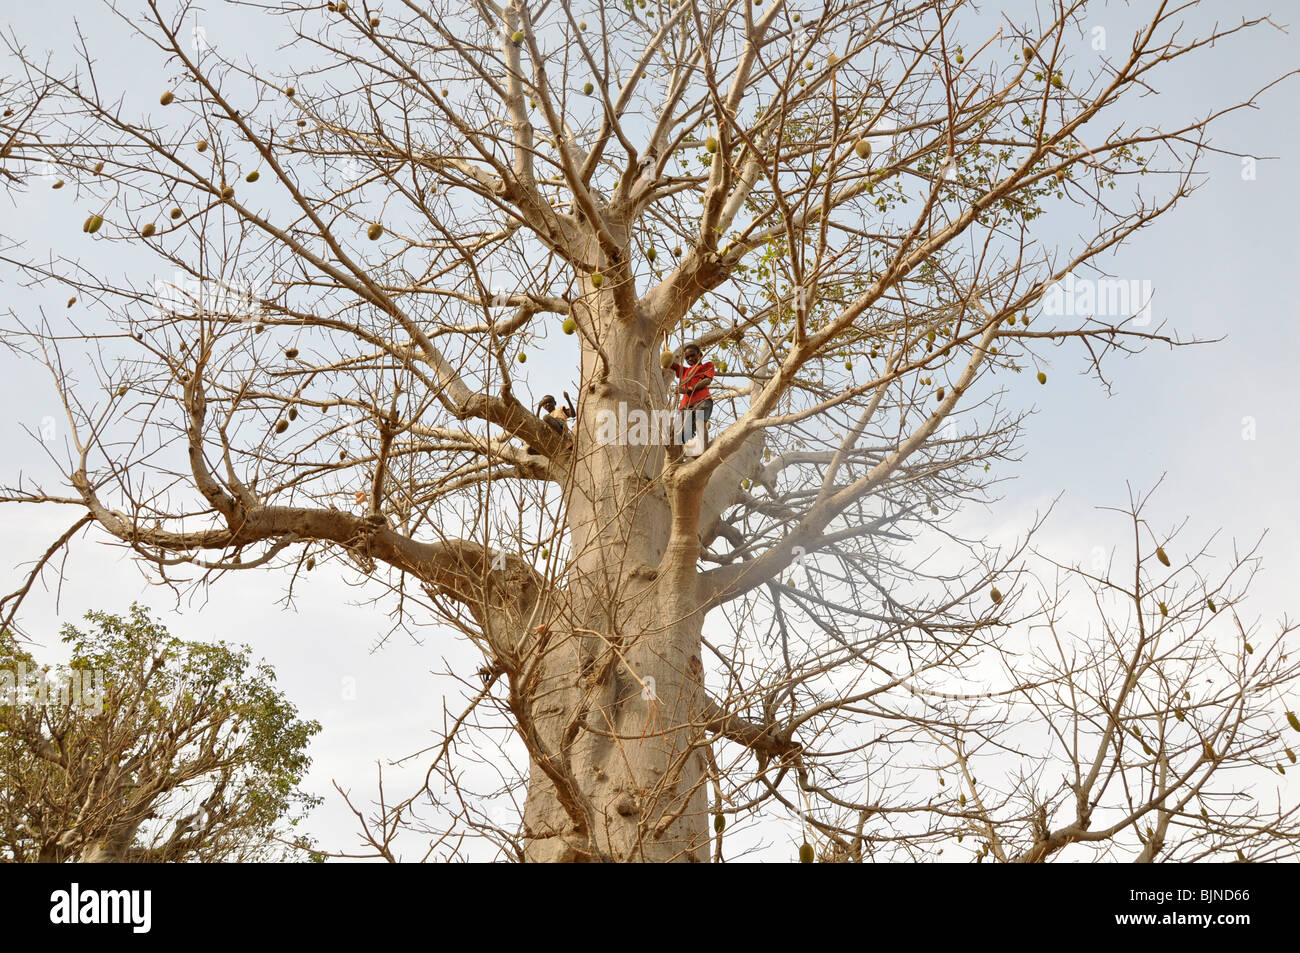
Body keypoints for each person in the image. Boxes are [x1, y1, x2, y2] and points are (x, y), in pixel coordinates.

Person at [671, 343, 715, 456]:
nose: (690, 359)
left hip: (702, 400)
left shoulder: (707, 366)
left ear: (700, 354)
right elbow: (671, 364)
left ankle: (704, 452)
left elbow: (707, 381)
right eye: (687, 358)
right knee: (680, 433)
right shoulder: (684, 371)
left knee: (700, 422)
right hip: (685, 406)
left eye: (693, 355)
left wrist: (689, 389)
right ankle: (681, 457)